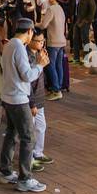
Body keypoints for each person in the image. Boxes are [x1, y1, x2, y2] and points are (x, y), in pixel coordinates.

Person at [0, 17, 49, 193]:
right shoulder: (18, 47)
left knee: (12, 133)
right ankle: (25, 178)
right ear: (29, 32)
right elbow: (27, 75)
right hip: (18, 98)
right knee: (28, 137)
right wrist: (40, 66)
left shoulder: (10, 44)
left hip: (9, 96)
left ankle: (5, 171)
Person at [26, 29, 54, 171]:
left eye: (43, 41)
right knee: (29, 130)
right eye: (39, 41)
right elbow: (28, 81)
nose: (41, 44)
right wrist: (31, 103)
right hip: (32, 99)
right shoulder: (26, 56)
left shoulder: (38, 54)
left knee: (41, 126)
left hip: (40, 97)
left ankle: (38, 152)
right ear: (30, 39)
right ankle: (29, 158)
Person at [38, 0, 67, 99]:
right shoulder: (60, 9)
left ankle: (56, 90)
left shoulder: (51, 9)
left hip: (53, 41)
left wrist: (35, 24)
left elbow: (44, 25)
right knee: (59, 65)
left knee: (50, 65)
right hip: (61, 41)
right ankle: (58, 87)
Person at [69, 0, 94, 65]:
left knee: (85, 39)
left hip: (84, 20)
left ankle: (87, 58)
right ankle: (76, 58)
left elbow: (93, 8)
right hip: (76, 19)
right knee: (75, 39)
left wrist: (88, 20)